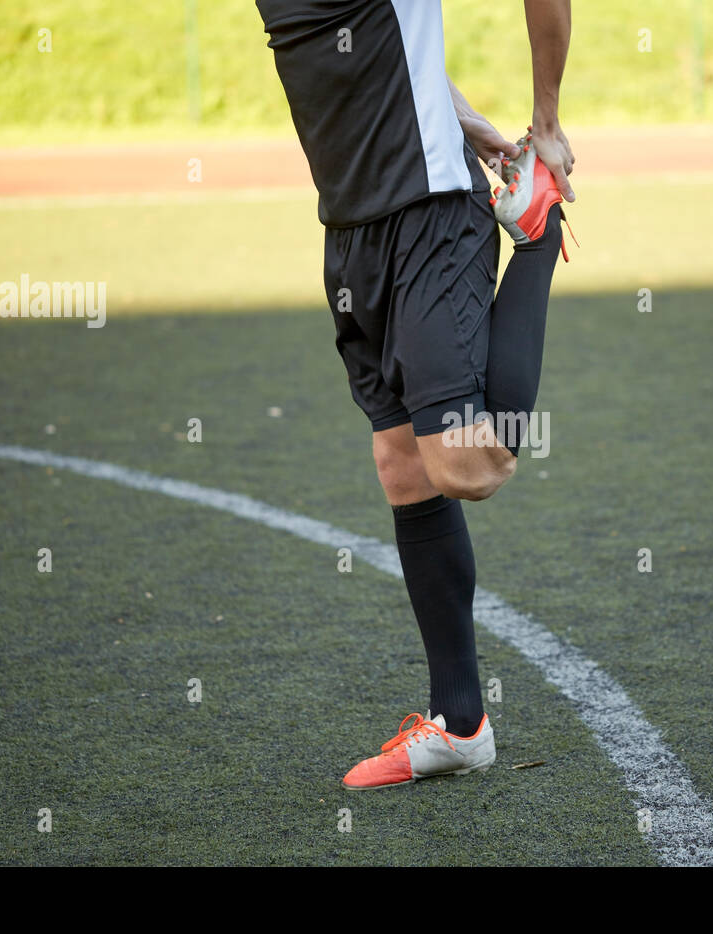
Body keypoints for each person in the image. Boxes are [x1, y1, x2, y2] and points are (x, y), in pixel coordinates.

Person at [256, 0, 574, 789]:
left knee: (468, 465)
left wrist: (546, 116)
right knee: (403, 467)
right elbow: (381, 49)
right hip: (349, 230)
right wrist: (466, 116)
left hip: (431, 211)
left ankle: (536, 228)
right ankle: (460, 725)